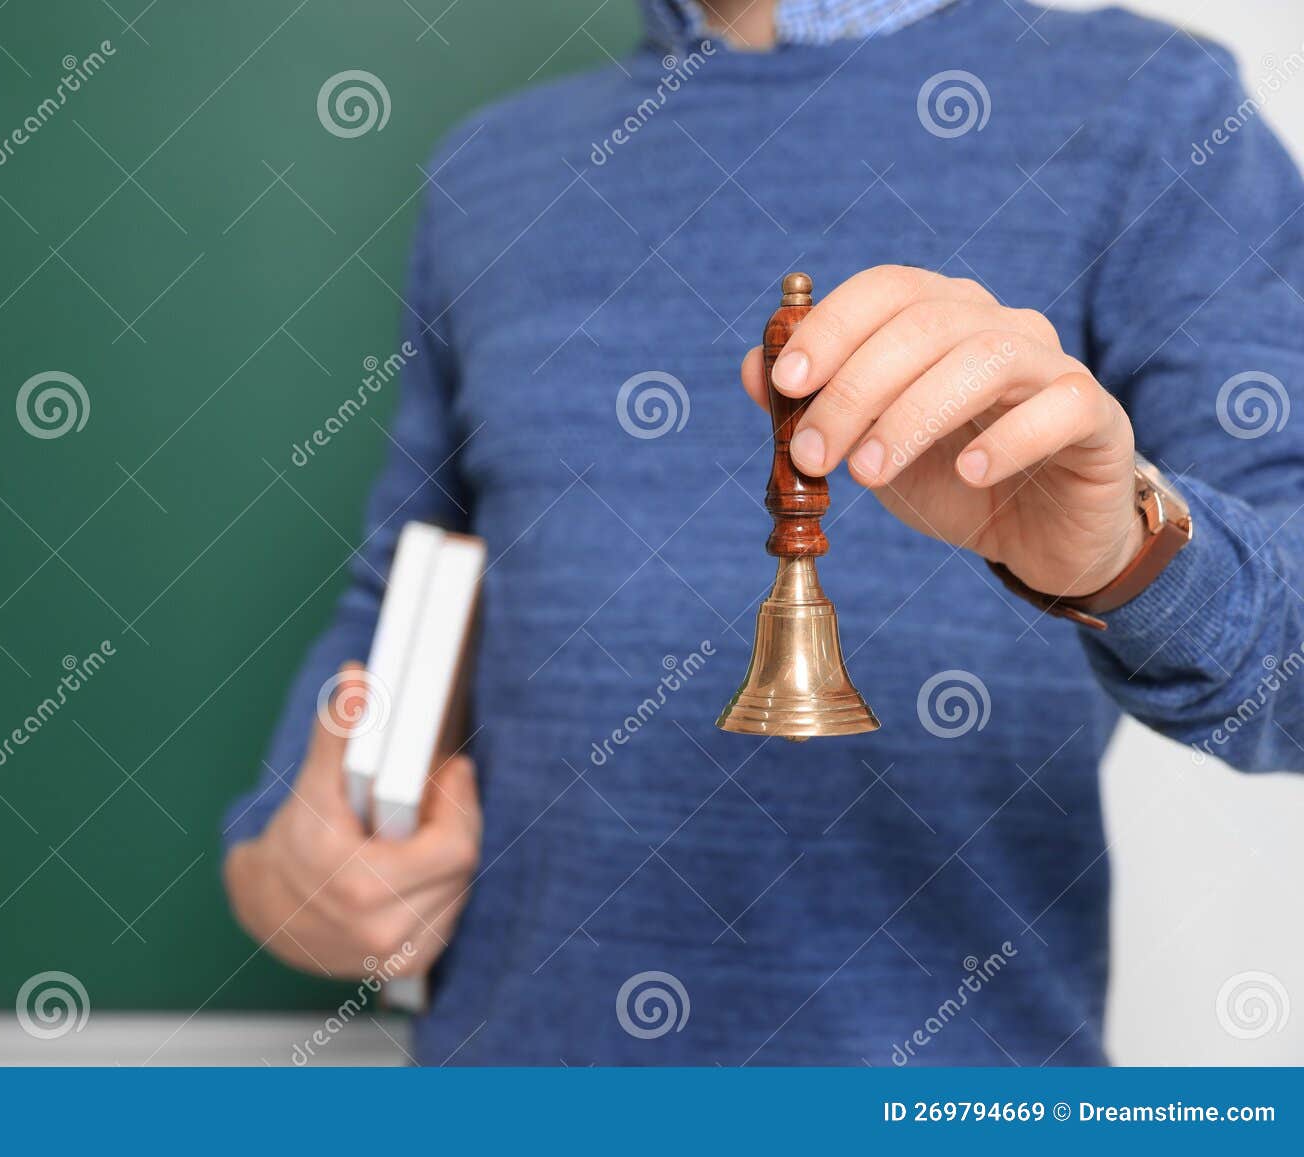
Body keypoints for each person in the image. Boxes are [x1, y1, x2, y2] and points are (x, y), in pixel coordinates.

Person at [223, 0, 1304, 1065]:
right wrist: (284, 865)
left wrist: (1123, 555)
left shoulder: (1152, 110)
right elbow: (409, 582)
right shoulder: (491, 169)